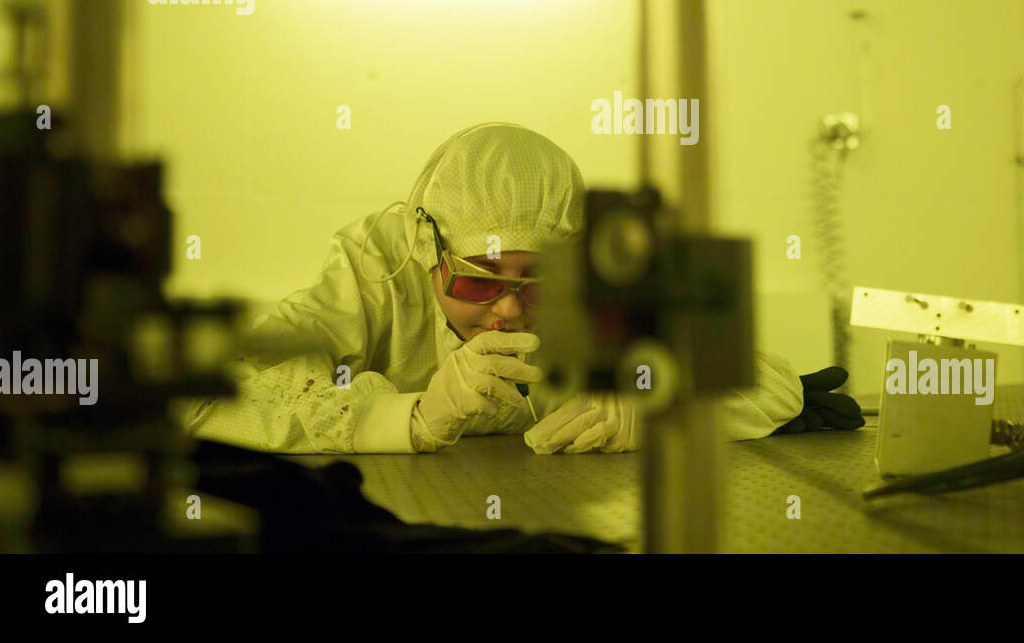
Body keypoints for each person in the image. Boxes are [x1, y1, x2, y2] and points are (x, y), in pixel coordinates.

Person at [182, 122, 807, 454]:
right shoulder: (377, 270)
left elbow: (775, 385)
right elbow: (212, 399)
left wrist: (653, 409)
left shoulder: (590, 283)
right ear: (429, 252)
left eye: (535, 285)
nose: (508, 310)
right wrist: (411, 415)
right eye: (479, 283)